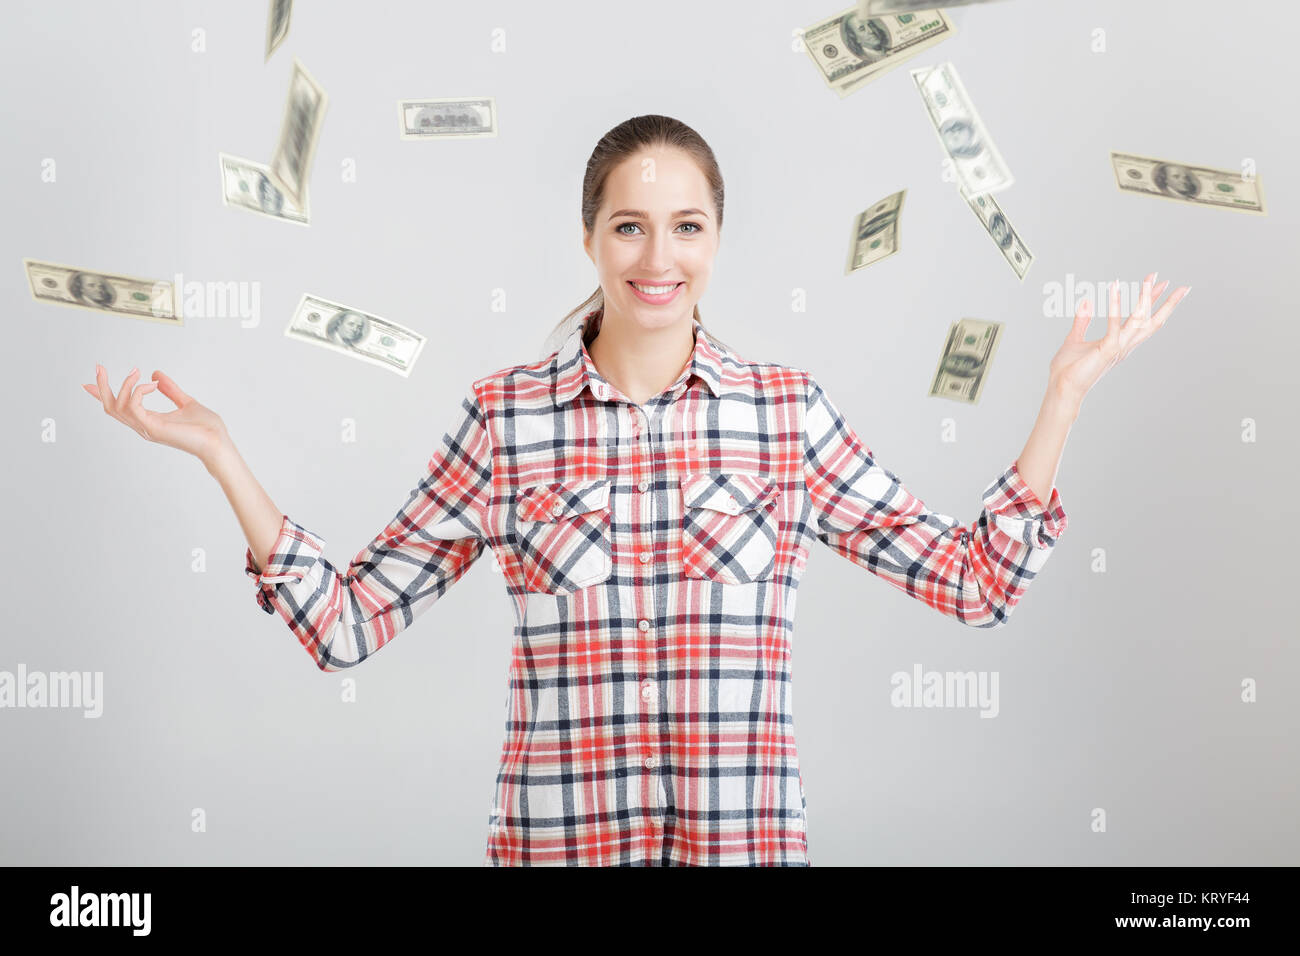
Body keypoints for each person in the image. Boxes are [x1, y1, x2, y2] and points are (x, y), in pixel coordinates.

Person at [82, 113, 1190, 866]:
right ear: (589, 238)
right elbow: (349, 625)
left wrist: (1061, 398)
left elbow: (974, 583)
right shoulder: (504, 418)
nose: (658, 255)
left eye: (686, 224)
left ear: (716, 237)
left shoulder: (783, 414)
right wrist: (224, 454)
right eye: (629, 223)